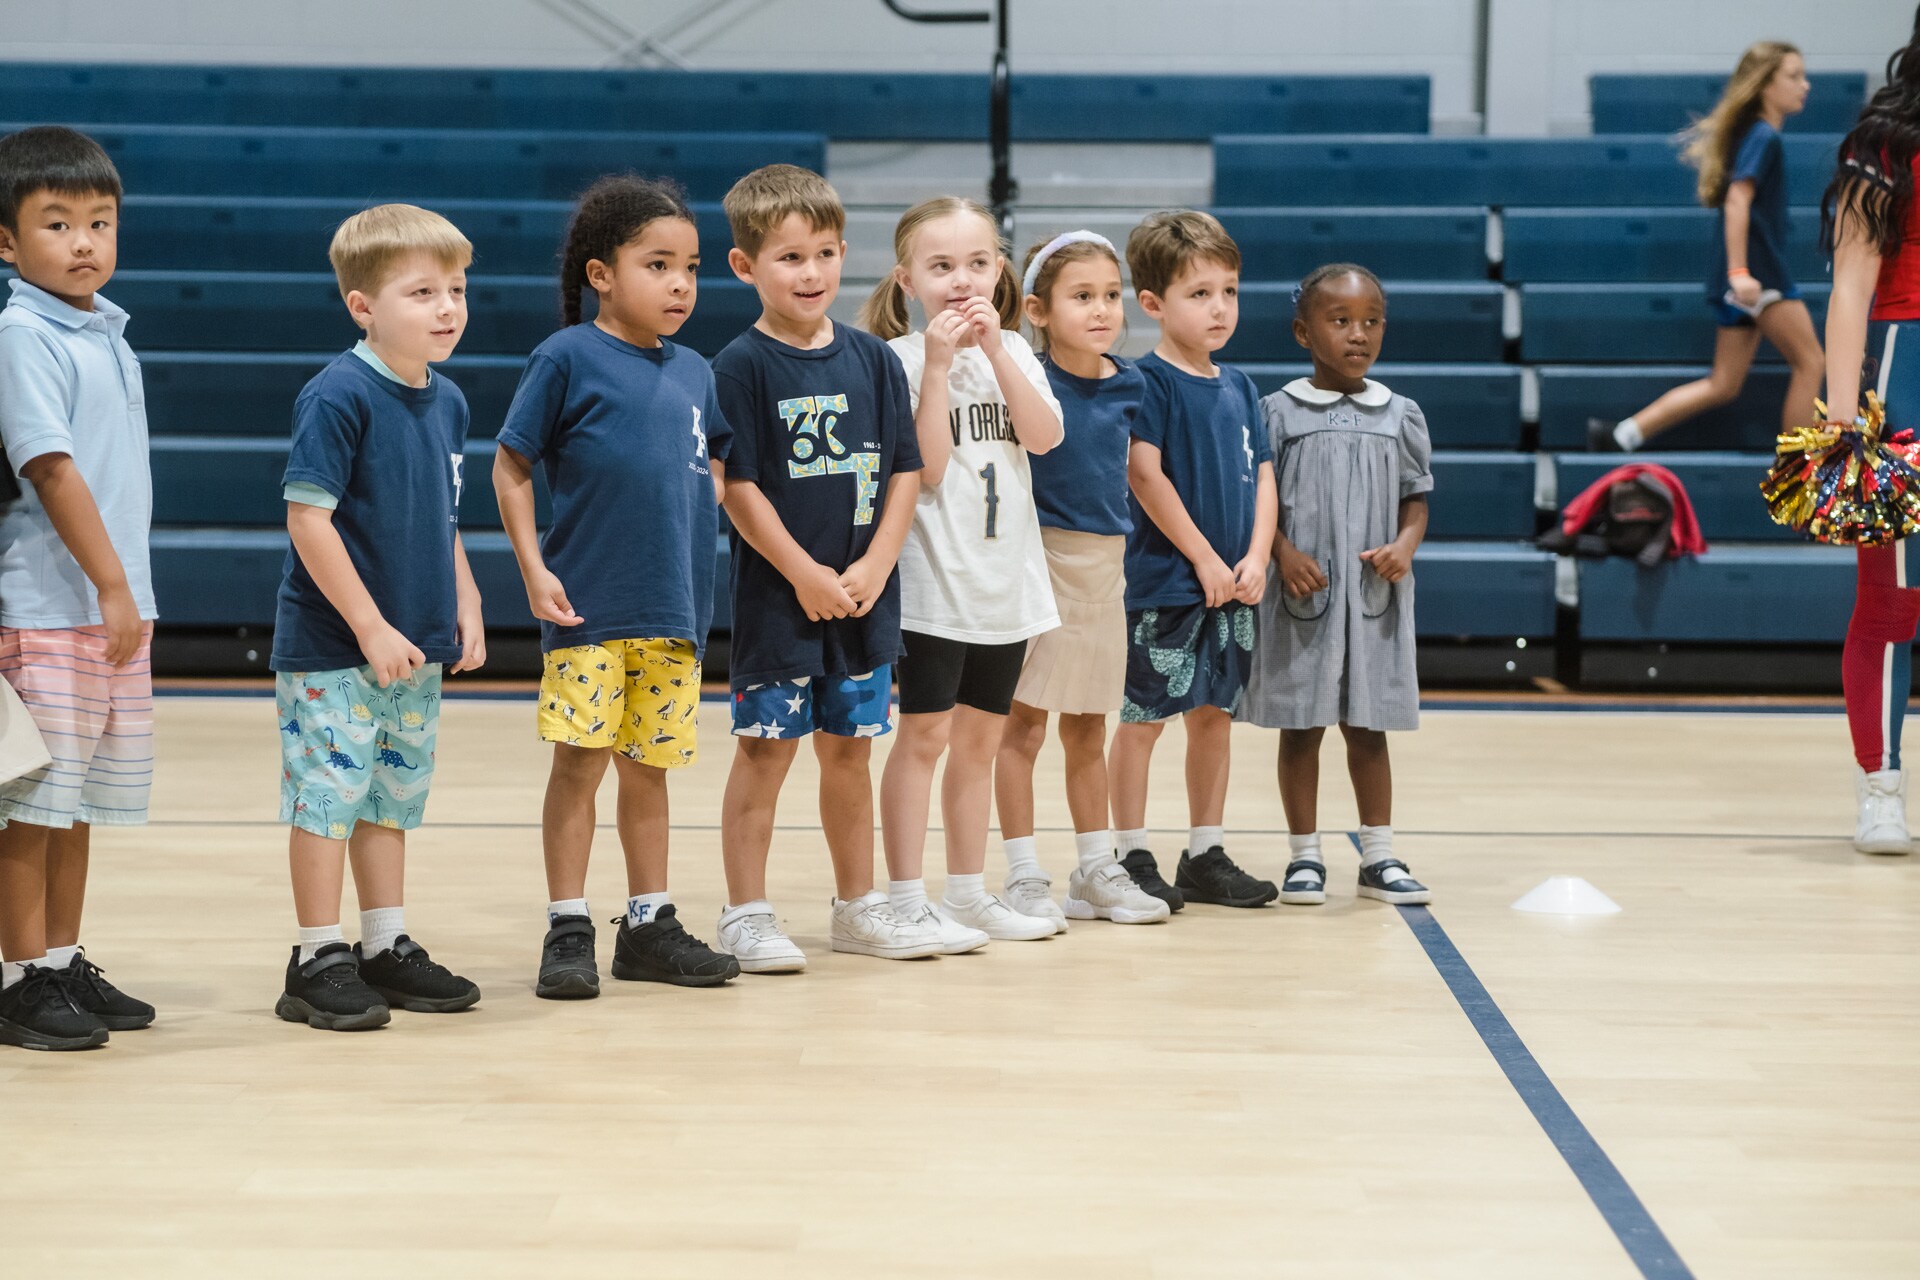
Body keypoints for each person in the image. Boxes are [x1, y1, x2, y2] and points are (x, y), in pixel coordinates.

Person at [495, 174, 740, 997]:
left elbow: (716, 468)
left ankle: (648, 923)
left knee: (650, 768)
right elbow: (511, 463)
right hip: (590, 607)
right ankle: (568, 923)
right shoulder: (566, 357)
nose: (680, 284)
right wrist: (534, 568)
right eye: (658, 264)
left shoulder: (698, 371)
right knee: (580, 765)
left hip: (675, 611)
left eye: (692, 268)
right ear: (602, 274)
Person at [711, 165, 943, 968]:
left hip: (865, 596)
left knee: (851, 750)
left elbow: (907, 468)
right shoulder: (739, 367)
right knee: (766, 750)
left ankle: (858, 906)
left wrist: (879, 562)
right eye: (788, 258)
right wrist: (803, 571)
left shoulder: (875, 360)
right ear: (746, 267)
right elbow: (736, 486)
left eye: (823, 254)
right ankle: (745, 913)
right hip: (782, 600)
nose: (810, 273)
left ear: (844, 253)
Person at [270, 203, 485, 1031]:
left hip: (414, 643)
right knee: (328, 796)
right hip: (336, 645)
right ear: (363, 306)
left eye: (456, 289)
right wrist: (366, 624)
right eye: (422, 291)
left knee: (391, 797)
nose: (447, 308)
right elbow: (307, 519)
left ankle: (383, 943)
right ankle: (315, 955)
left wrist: (464, 598)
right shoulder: (338, 393)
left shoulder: (451, 401)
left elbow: (445, 519)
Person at [863, 195, 1067, 949]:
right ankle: (907, 894)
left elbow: (1045, 439)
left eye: (977, 263)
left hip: (1004, 586)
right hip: (933, 589)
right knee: (922, 741)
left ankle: (967, 891)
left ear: (999, 270)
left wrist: (998, 355)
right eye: (941, 265)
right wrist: (943, 367)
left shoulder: (1017, 351)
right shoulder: (898, 360)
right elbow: (934, 470)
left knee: (980, 745)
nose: (960, 279)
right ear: (907, 279)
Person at [0, 126, 156, 1050]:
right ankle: (19, 976)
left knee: (82, 804)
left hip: (105, 608)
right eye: (57, 224)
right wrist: (109, 586)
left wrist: (125, 591)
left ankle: (60, 960)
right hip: (54, 606)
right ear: (9, 243)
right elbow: (51, 469)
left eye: (100, 221)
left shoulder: (104, 329)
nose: (85, 242)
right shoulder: (22, 333)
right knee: (32, 803)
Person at [992, 230, 1169, 926]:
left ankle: (1096, 867)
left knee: (1089, 725)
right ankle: (1023, 873)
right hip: (1038, 561)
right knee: (1023, 726)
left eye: (1111, 295)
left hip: (1106, 568)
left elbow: (1139, 475)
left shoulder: (1132, 382)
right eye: (1082, 297)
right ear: (1037, 310)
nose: (1102, 310)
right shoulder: (1026, 379)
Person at [1243, 264, 1434, 906]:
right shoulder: (1277, 413)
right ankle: (1305, 856)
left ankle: (1377, 855)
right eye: (1341, 321)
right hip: (1304, 597)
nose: (1359, 335)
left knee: (1368, 727)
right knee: (1302, 726)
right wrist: (1283, 553)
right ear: (1303, 331)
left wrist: (1405, 545)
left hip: (1373, 601)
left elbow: (1417, 498)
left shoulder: (1400, 414)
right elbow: (1257, 501)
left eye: (1372, 321)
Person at [1109, 210, 1279, 911]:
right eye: (1200, 293)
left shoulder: (1238, 385)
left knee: (1213, 715)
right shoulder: (1145, 380)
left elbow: (1265, 474)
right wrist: (1206, 559)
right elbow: (1143, 475)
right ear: (1152, 304)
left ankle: (1204, 851)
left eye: (1229, 291)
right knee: (1143, 717)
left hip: (1235, 584)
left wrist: (1259, 554)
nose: (1220, 308)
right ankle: (1128, 852)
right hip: (1168, 583)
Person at [1589, 41, 1820, 453]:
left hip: (1745, 277)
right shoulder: (1764, 136)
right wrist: (1740, 272)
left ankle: (1620, 435)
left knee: (1724, 383)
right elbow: (1737, 201)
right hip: (1759, 274)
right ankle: (1800, 470)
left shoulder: (1753, 134)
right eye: (1793, 76)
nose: (1805, 85)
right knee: (1811, 362)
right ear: (1764, 84)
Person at [1821, 5, 1920, 855]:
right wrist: (1845, 419)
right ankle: (1881, 785)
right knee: (1893, 598)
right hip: (1904, 369)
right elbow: (1851, 281)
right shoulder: (1883, 141)